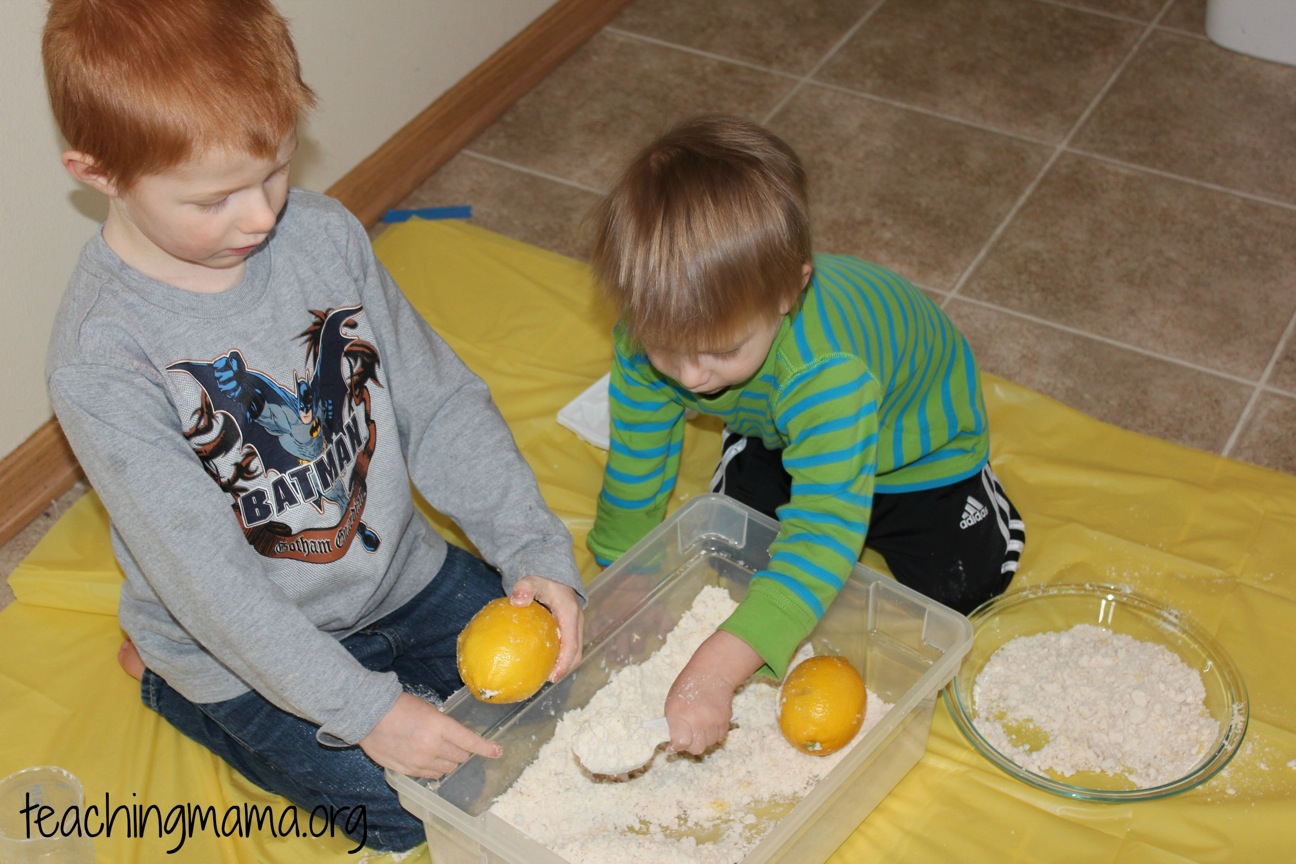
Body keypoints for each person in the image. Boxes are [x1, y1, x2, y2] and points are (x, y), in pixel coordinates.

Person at [41, 0, 584, 852]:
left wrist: (532, 547)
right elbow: (210, 583)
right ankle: (169, 681)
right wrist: (366, 712)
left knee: (562, 716)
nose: (260, 217)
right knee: (410, 819)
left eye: (275, 170)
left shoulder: (321, 235)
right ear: (98, 171)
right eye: (214, 199)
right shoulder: (102, 360)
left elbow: (438, 404)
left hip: (403, 574)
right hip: (231, 640)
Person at [586, 115, 1025, 758]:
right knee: (732, 561)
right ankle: (762, 442)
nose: (689, 376)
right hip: (786, 432)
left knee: (965, 590)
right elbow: (637, 460)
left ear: (792, 290)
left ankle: (983, 507)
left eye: (721, 350)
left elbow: (823, 532)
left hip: (916, 450)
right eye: (665, 348)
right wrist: (624, 570)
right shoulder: (648, 337)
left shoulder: (828, 374)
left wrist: (712, 673)